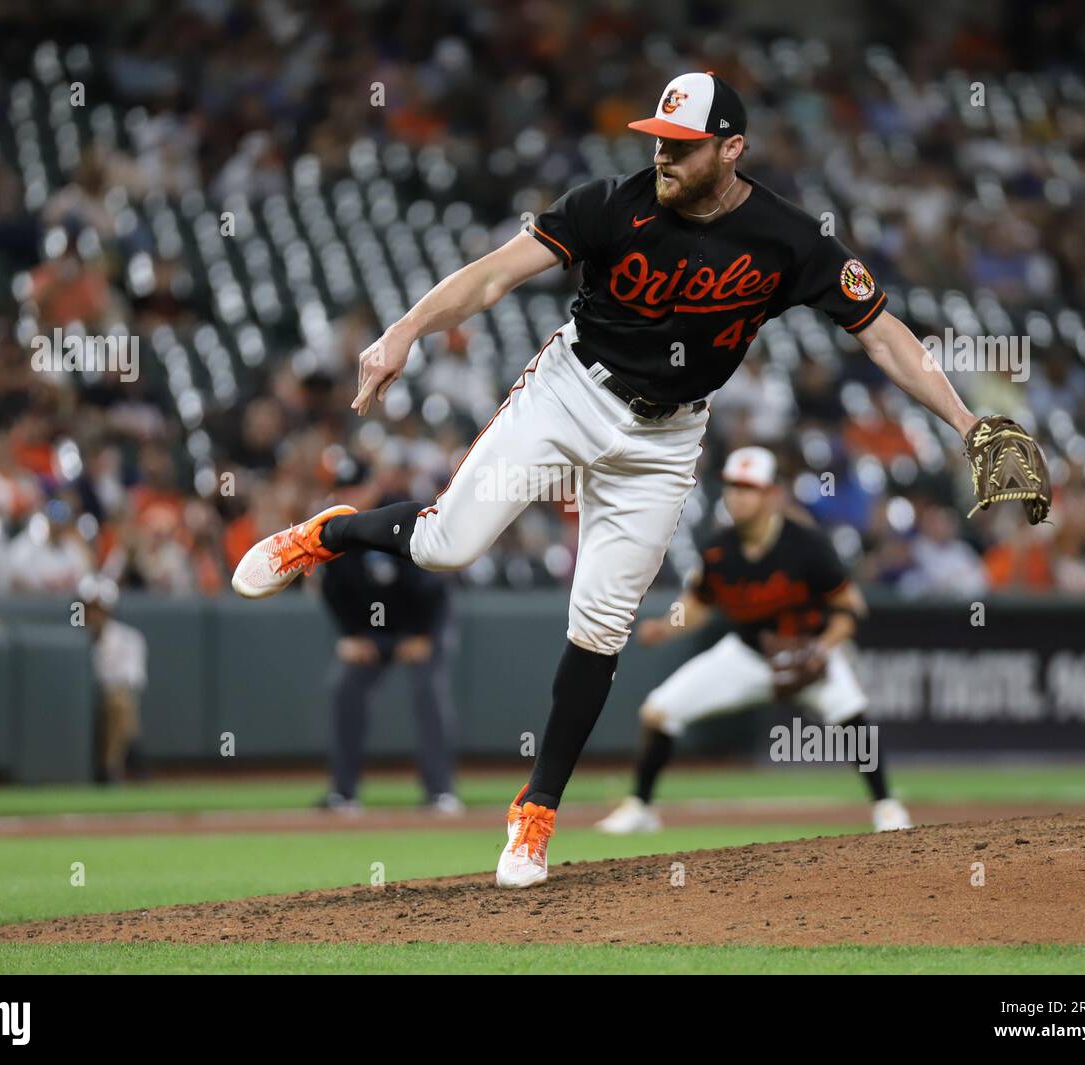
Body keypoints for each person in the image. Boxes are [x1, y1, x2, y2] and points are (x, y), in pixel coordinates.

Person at [232, 72, 1015, 889]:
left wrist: (970, 426)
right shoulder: (611, 203)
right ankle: (325, 532)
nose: (663, 155)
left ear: (731, 149)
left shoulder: (789, 239)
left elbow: (885, 336)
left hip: (669, 436)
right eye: (658, 139)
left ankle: (534, 817)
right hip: (572, 391)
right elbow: (495, 273)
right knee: (442, 546)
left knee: (602, 625)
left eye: (682, 146)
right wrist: (404, 332)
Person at [595, 446, 912, 836]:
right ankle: (641, 807)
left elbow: (851, 608)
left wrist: (824, 646)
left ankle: (886, 804)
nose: (737, 496)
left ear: (772, 494)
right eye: (732, 487)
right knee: (658, 712)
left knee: (852, 713)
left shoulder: (806, 545)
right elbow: (697, 603)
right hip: (746, 655)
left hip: (809, 650)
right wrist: (664, 627)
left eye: (748, 488)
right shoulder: (718, 549)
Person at [316, 459, 461, 815]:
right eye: (344, 489)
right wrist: (350, 635)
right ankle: (343, 794)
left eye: (356, 487)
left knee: (428, 694)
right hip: (373, 632)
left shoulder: (398, 517)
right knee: (345, 690)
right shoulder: (335, 529)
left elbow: (433, 583)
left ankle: (440, 792)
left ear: (372, 487)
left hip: (422, 625)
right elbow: (332, 590)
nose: (350, 495)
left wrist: (424, 635)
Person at [82, 580, 148, 783]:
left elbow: (134, 679)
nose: (94, 615)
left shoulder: (128, 638)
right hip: (81, 700)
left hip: (113, 699)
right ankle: (132, 757)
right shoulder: (74, 637)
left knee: (119, 702)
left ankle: (110, 770)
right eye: (90, 609)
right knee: (120, 706)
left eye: (99, 610)